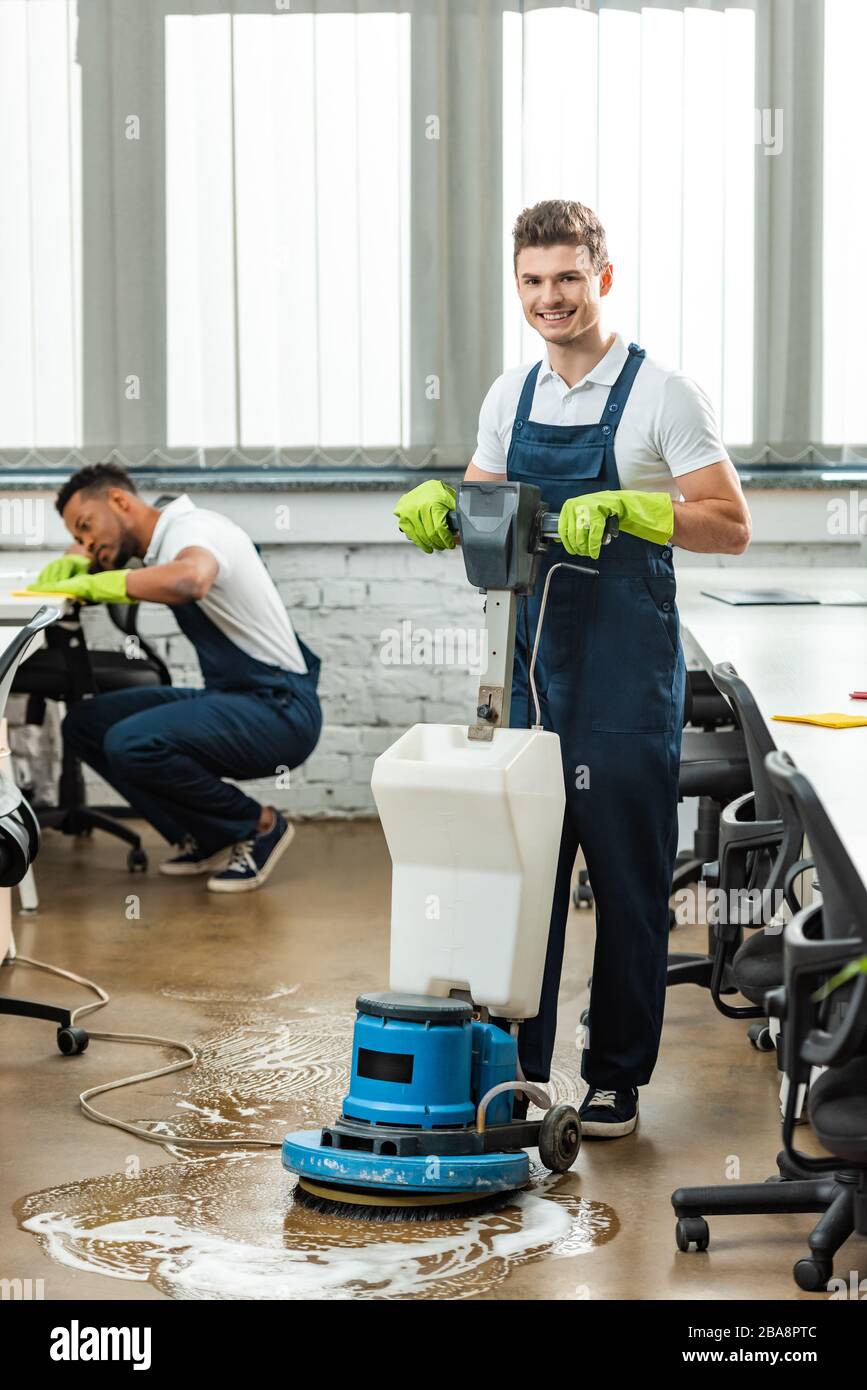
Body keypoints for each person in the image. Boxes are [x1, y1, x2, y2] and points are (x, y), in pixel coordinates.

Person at [393, 199, 751, 1136]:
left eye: (565, 278)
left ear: (602, 277)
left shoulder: (663, 393)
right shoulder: (509, 396)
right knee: (519, 873)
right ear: (517, 286)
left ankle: (614, 1077)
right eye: (531, 281)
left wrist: (640, 511)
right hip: (527, 668)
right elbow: (486, 497)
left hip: (626, 679)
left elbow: (731, 524)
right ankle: (518, 1071)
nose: (550, 298)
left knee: (629, 881)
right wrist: (451, 503)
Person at [31, 463, 322, 893]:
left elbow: (191, 580)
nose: (88, 541)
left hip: (280, 709)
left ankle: (260, 826)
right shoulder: (160, 540)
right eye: (78, 534)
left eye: (86, 526)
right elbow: (113, 553)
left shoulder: (192, 529)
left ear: (120, 500)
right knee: (86, 724)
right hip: (240, 696)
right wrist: (77, 556)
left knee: (131, 742)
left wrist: (98, 585)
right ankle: (209, 836)